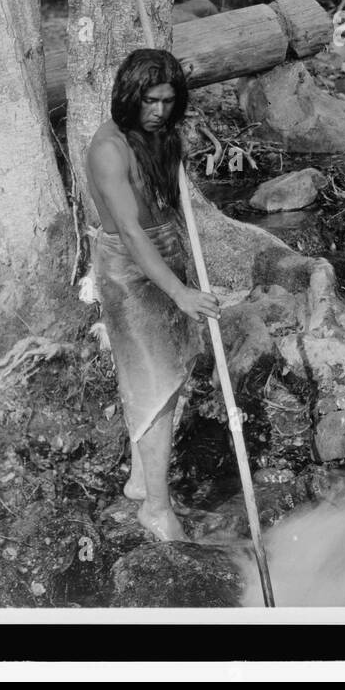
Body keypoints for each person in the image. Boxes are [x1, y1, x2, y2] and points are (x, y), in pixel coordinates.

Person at [85, 48, 220, 542]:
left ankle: (144, 478)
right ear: (129, 95)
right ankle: (157, 511)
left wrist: (185, 264)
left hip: (164, 248)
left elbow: (165, 206)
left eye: (167, 101)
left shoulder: (160, 134)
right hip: (128, 264)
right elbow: (129, 230)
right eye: (149, 101)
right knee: (152, 385)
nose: (159, 111)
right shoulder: (109, 149)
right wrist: (181, 292)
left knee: (173, 367)